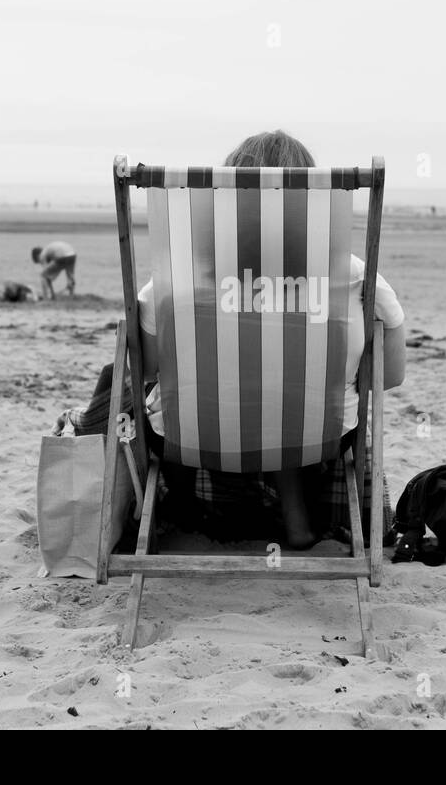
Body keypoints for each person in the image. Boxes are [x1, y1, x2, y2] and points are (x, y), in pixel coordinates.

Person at [136, 130, 407, 548]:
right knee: (286, 400)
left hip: (194, 435)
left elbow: (148, 372)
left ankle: (184, 505)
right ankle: (296, 517)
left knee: (182, 399)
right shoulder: (355, 277)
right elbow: (388, 380)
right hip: (318, 434)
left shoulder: (174, 279)